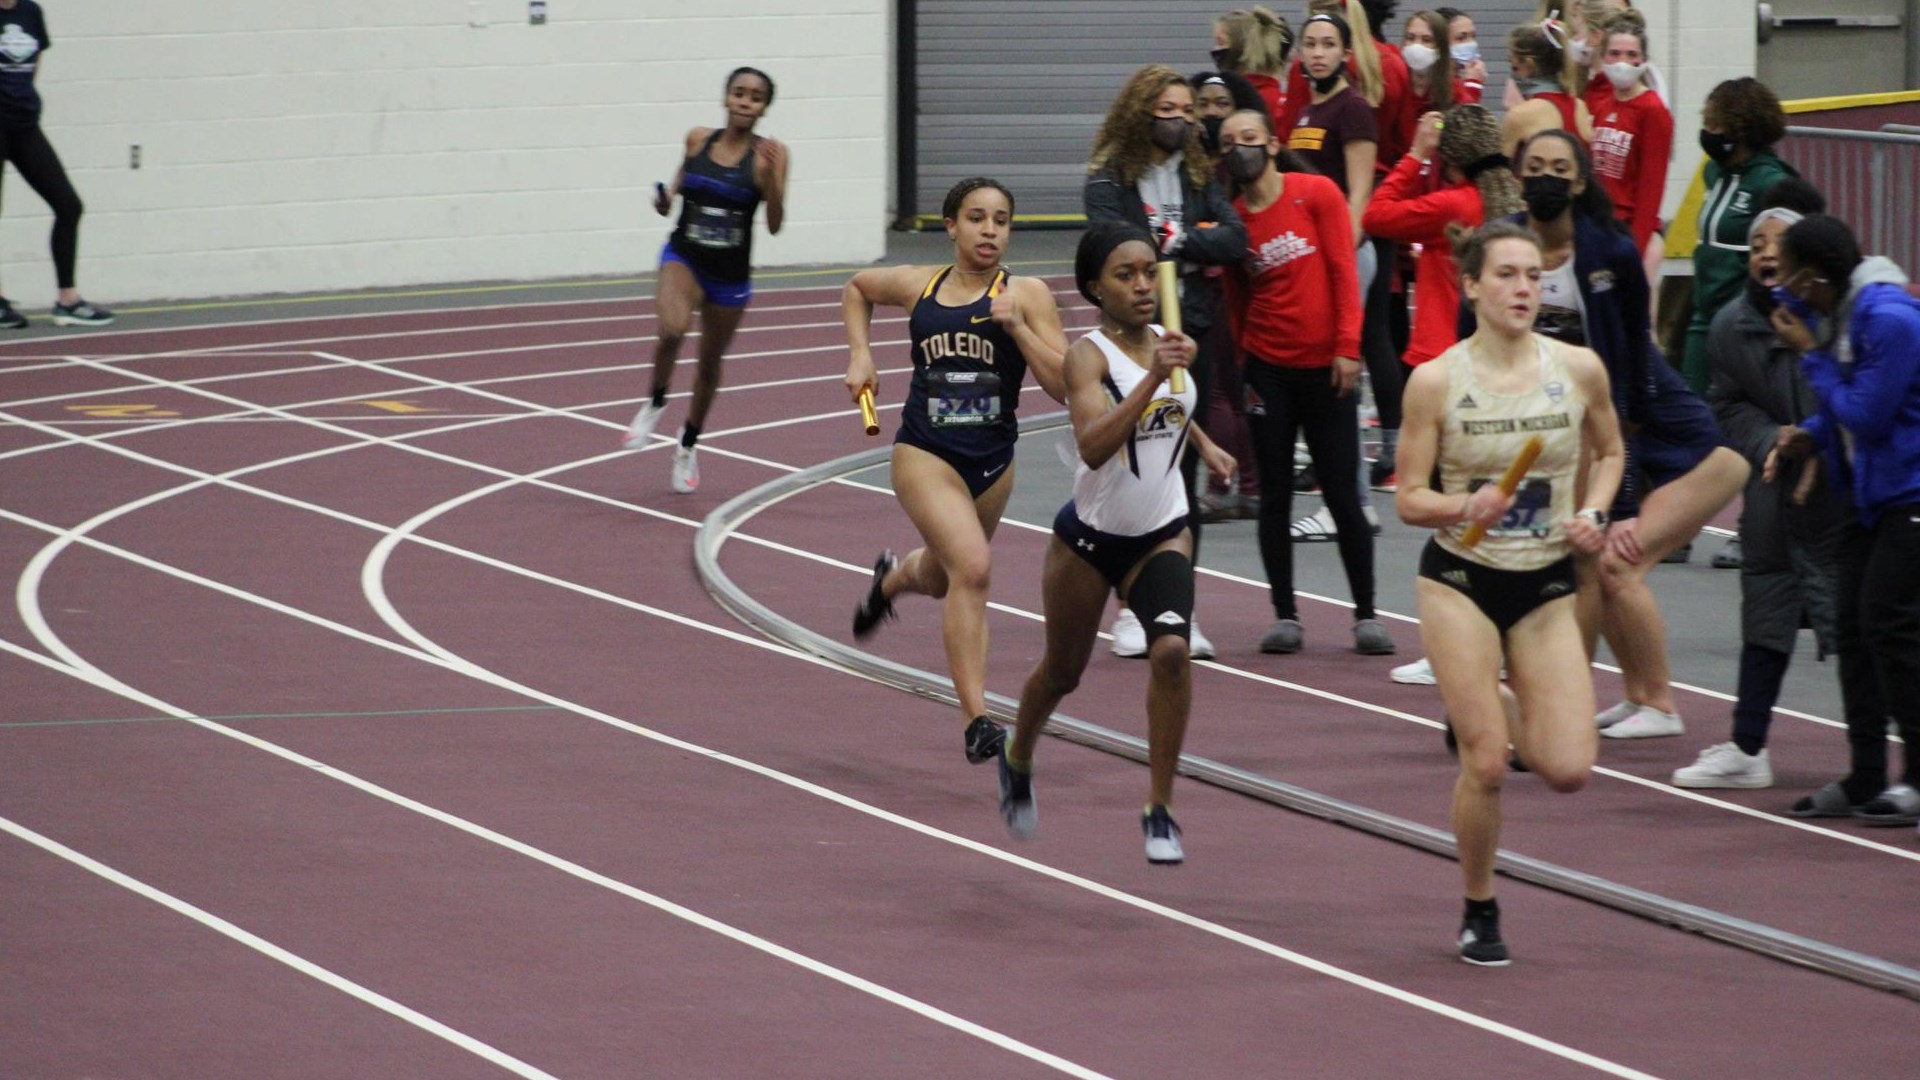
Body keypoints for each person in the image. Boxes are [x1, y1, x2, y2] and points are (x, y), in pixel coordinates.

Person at [1397, 220, 1624, 965]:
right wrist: (1464, 506)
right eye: (1506, 275)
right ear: (1471, 286)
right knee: (1489, 763)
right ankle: (1479, 905)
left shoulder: (1579, 369)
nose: (1523, 287)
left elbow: (1613, 450)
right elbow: (1408, 500)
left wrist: (1593, 511)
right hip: (1462, 578)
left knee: (1567, 769)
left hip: (1546, 580)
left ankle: (1488, 697)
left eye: (1532, 274)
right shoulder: (1436, 381)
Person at [1481, 130, 1747, 740]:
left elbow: (1629, 362)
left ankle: (1650, 704)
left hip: (1687, 450)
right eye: (1534, 166)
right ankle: (1629, 695)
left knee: (1612, 564)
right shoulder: (1506, 247)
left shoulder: (1608, 253)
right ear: (1518, 176)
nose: (1546, 176)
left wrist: (1621, 497)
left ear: (1578, 182)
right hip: (1590, 435)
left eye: (1560, 167)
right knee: (1592, 566)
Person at [998, 223, 1236, 864]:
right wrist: (1152, 381)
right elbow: (1094, 445)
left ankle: (1160, 808)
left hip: (1162, 533)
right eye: (1124, 275)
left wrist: (1208, 446)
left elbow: (1173, 421)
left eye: (1147, 272)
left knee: (1171, 654)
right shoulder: (1089, 356)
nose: (1140, 285)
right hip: (1088, 541)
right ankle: (1018, 755)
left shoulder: (1170, 342)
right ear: (1094, 288)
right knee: (1062, 675)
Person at [843, 178, 1069, 766]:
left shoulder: (1030, 293)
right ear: (951, 226)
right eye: (976, 218)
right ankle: (977, 721)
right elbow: (857, 288)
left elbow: (1067, 386)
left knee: (946, 579)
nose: (989, 229)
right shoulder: (921, 286)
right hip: (925, 452)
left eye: (1000, 220)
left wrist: (1018, 327)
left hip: (993, 461)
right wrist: (860, 352)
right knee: (973, 566)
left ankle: (891, 580)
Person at [1675, 186, 1843, 789]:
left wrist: (1819, 436)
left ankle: (1880, 765)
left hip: (1849, 496)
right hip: (1775, 493)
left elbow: (1870, 401)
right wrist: (1773, 437)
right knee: (1766, 612)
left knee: (1871, 626)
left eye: (1778, 242)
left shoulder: (1842, 315)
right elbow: (1726, 404)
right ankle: (1748, 749)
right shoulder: (1730, 326)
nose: (1765, 253)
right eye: (1755, 244)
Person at [1085, 64, 1250, 661]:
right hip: (1130, 338)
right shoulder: (1109, 178)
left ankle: (1178, 606)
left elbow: (1233, 239)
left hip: (1192, 330)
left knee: (1179, 478)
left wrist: (1176, 242)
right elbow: (1111, 242)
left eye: (1188, 110)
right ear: (1140, 112)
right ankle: (1128, 607)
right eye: (1169, 109)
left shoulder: (1203, 175)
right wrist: (1163, 246)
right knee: (1133, 469)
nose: (1182, 118)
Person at [1219, 107, 1394, 655]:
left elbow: (1344, 271)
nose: (1239, 148)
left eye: (1248, 138)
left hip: (1327, 370)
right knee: (1274, 494)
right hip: (1269, 371)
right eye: (1228, 142)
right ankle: (1285, 613)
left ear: (1272, 143)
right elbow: (1236, 300)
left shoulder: (1315, 193)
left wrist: (1347, 348)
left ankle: (1366, 613)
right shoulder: (1234, 222)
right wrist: (1248, 363)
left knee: (1342, 491)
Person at [1767, 214, 1920, 827]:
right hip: (1872, 495)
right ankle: (1864, 774)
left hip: (1910, 493)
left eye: (1797, 282)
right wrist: (1810, 435)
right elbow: (1849, 409)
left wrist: (1811, 357)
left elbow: (1870, 413)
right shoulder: (1849, 312)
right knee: (1851, 627)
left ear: (1819, 277)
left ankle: (1916, 776)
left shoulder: (1889, 319)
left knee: (1891, 624)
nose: (1792, 296)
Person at [624, 67, 790, 493]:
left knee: (709, 365)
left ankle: (688, 443)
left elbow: (773, 225)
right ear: (726, 98)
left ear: (764, 107)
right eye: (739, 93)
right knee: (672, 330)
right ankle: (657, 399)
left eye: (755, 96)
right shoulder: (698, 138)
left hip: (729, 274)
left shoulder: (772, 154)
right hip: (684, 256)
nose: (745, 101)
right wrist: (663, 199)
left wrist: (771, 181)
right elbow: (674, 193)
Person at [1282, 10, 1389, 541]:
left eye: (1329, 44)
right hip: (1311, 258)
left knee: (1341, 376)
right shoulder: (1306, 113)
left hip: (1343, 256)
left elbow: (1359, 197)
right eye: (1311, 44)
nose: (1318, 52)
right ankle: (1354, 502)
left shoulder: (1353, 110)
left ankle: (1349, 503)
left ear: (1346, 53)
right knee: (1328, 379)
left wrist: (1336, 264)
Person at [1681, 77, 1794, 397]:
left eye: (1715, 126)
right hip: (1703, 315)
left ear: (1740, 130)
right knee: (1693, 406)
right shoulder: (1713, 172)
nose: (1708, 134)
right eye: (1707, 124)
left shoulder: (1772, 182)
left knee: (1735, 409)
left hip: (1742, 320)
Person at [0, 0, 110, 328]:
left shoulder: (31, 12)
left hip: (25, 125)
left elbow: (34, 64)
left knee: (69, 205)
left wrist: (24, 102)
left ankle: (68, 299)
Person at [1585, 9, 1671, 254]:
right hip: (1598, 224)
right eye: (1614, 54)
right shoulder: (1602, 105)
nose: (1622, 61)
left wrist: (1635, 247)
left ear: (1643, 60)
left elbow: (1651, 188)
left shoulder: (1652, 110)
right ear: (1603, 58)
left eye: (1631, 54)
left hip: (1627, 230)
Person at [1499, 19, 1594, 158]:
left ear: (1529, 63)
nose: (1513, 76)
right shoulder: (1580, 107)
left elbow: (1500, 175)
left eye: (1514, 67)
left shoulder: (1519, 115)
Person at [1212, 7, 1294, 119]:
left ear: (1241, 47)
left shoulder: (1242, 100)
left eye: (1220, 43)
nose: (1215, 49)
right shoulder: (1224, 95)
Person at [1434, 7, 1487, 104]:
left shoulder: (1459, 78)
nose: (1471, 43)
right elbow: (1466, 116)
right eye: (1461, 38)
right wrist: (1473, 84)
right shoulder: (1434, 82)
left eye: (1473, 36)